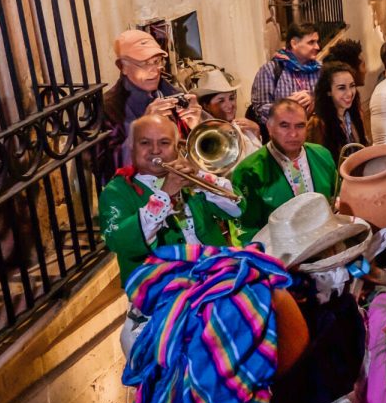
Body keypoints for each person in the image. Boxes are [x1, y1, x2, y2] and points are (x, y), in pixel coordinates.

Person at [100, 114, 241, 285]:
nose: (155, 150)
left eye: (164, 143)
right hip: (159, 286)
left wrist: (200, 179)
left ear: (176, 147)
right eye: (145, 143)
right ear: (131, 147)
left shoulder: (191, 179)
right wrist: (165, 195)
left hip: (216, 271)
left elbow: (237, 209)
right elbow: (119, 242)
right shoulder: (116, 191)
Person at [99, 29, 199, 184]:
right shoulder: (108, 108)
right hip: (139, 196)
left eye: (157, 61)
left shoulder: (173, 93)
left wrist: (195, 128)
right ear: (122, 66)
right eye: (144, 64)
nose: (154, 70)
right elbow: (107, 170)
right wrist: (143, 126)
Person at [231, 99, 339, 240]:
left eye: (300, 126)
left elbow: (337, 196)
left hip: (326, 241)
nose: (293, 134)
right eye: (284, 126)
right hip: (277, 253)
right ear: (269, 128)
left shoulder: (322, 155)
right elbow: (245, 230)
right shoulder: (249, 171)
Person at [250, 22, 320, 126]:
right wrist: (285, 106)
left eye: (317, 42)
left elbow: (332, 103)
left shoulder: (320, 70)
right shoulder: (270, 70)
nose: (317, 47)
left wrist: (313, 100)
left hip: (315, 134)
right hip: (283, 136)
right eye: (311, 42)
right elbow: (259, 109)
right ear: (294, 43)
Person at [190, 67, 263, 153]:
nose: (230, 105)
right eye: (221, 100)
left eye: (231, 98)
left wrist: (256, 133)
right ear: (206, 106)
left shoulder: (242, 128)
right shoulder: (202, 132)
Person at [315, 61, 367, 159]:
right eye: (342, 88)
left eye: (352, 86)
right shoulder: (318, 124)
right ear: (329, 91)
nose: (349, 93)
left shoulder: (356, 114)